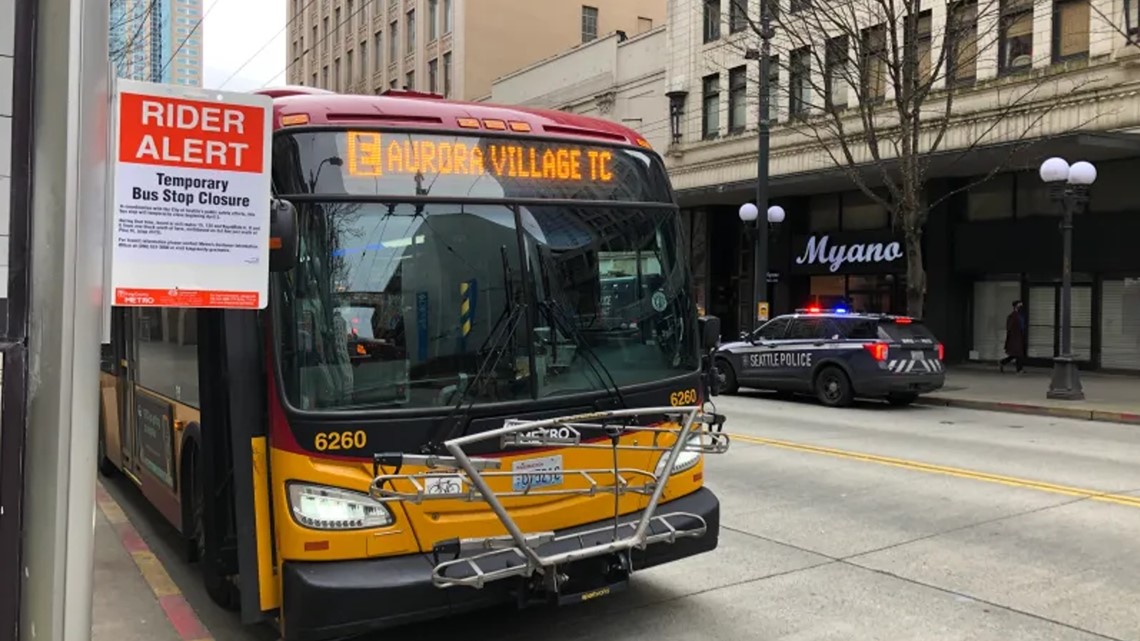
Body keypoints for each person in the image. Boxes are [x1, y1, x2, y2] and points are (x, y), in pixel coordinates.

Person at [1000, 300, 1026, 373]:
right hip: (1015, 337)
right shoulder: (1012, 316)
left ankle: (1003, 362)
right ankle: (1019, 369)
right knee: (1018, 353)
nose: (1021, 307)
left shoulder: (1021, 315)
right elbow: (1009, 327)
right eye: (1019, 305)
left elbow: (1022, 326)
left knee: (1016, 354)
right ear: (1016, 306)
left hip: (1020, 336)